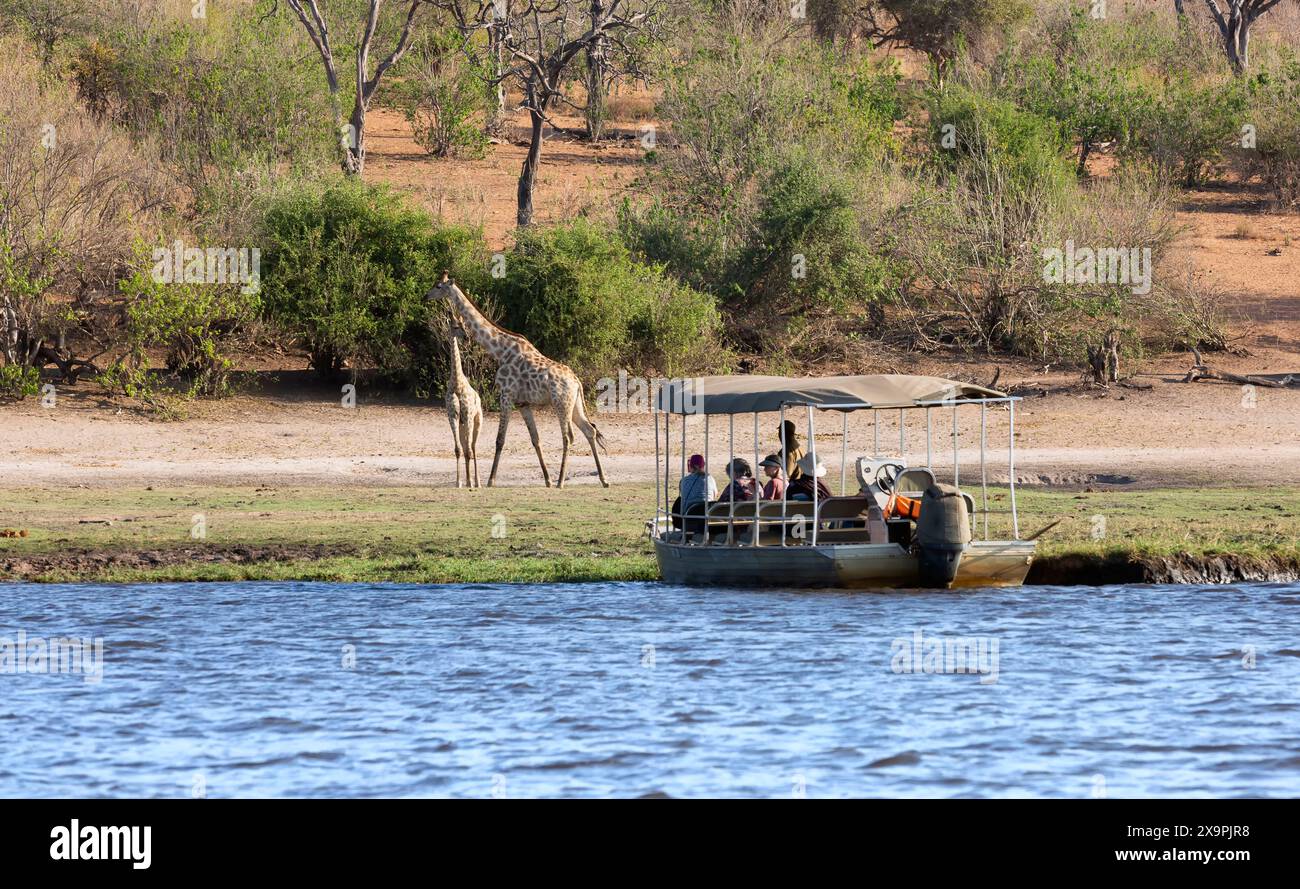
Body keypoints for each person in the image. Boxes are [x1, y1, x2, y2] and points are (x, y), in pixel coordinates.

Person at [672, 454, 717, 534]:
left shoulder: (684, 480)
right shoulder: (710, 479)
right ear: (703, 465)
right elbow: (714, 495)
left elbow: (684, 496)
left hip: (690, 517)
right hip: (708, 516)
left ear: (690, 466)